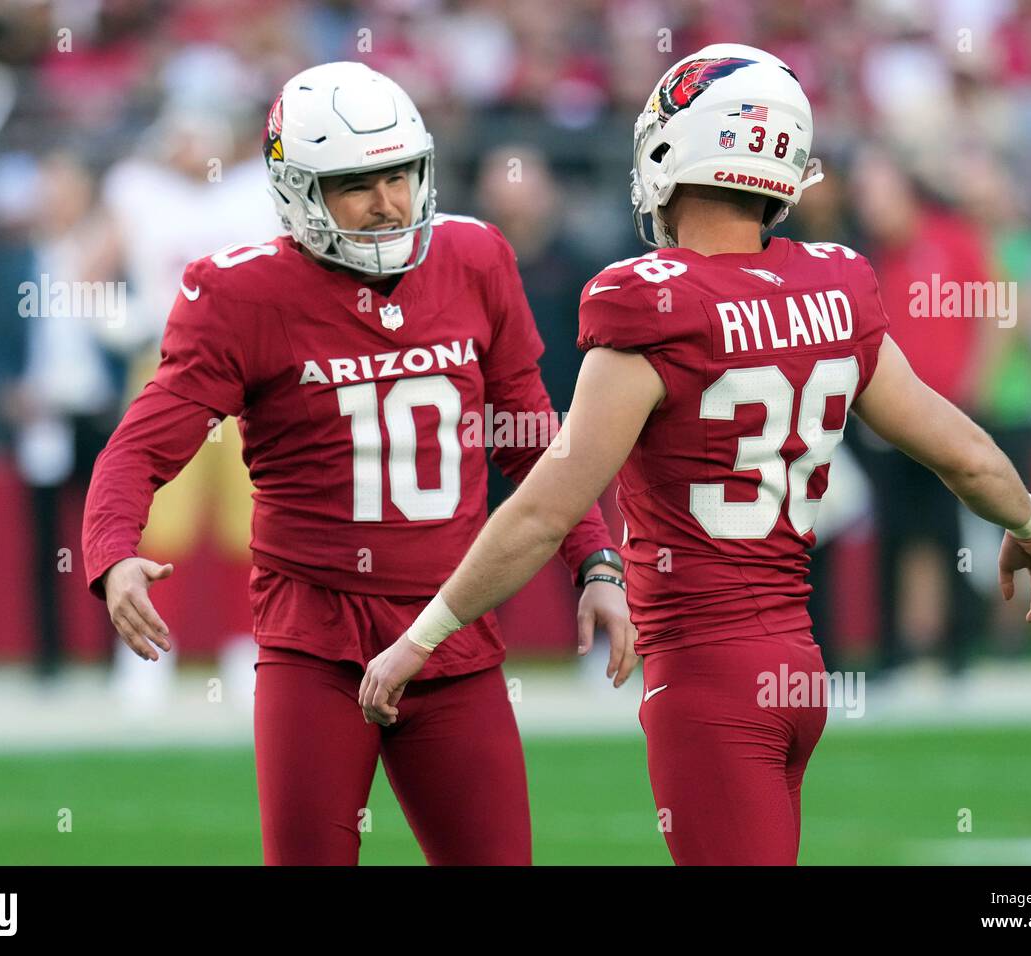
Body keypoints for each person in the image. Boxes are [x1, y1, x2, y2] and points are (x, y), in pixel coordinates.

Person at [360, 44, 1031, 865]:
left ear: (673, 152)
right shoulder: (835, 287)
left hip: (708, 679)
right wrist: (1029, 522)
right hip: (799, 667)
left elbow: (546, 508)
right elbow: (968, 456)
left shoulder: (651, 303)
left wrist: (424, 635)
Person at [82, 61, 632, 865]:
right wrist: (113, 552)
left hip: (452, 627)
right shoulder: (241, 294)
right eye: (355, 184)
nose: (388, 202)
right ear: (299, 192)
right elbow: (141, 443)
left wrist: (596, 559)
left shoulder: (475, 257)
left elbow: (529, 432)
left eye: (399, 174)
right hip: (317, 643)